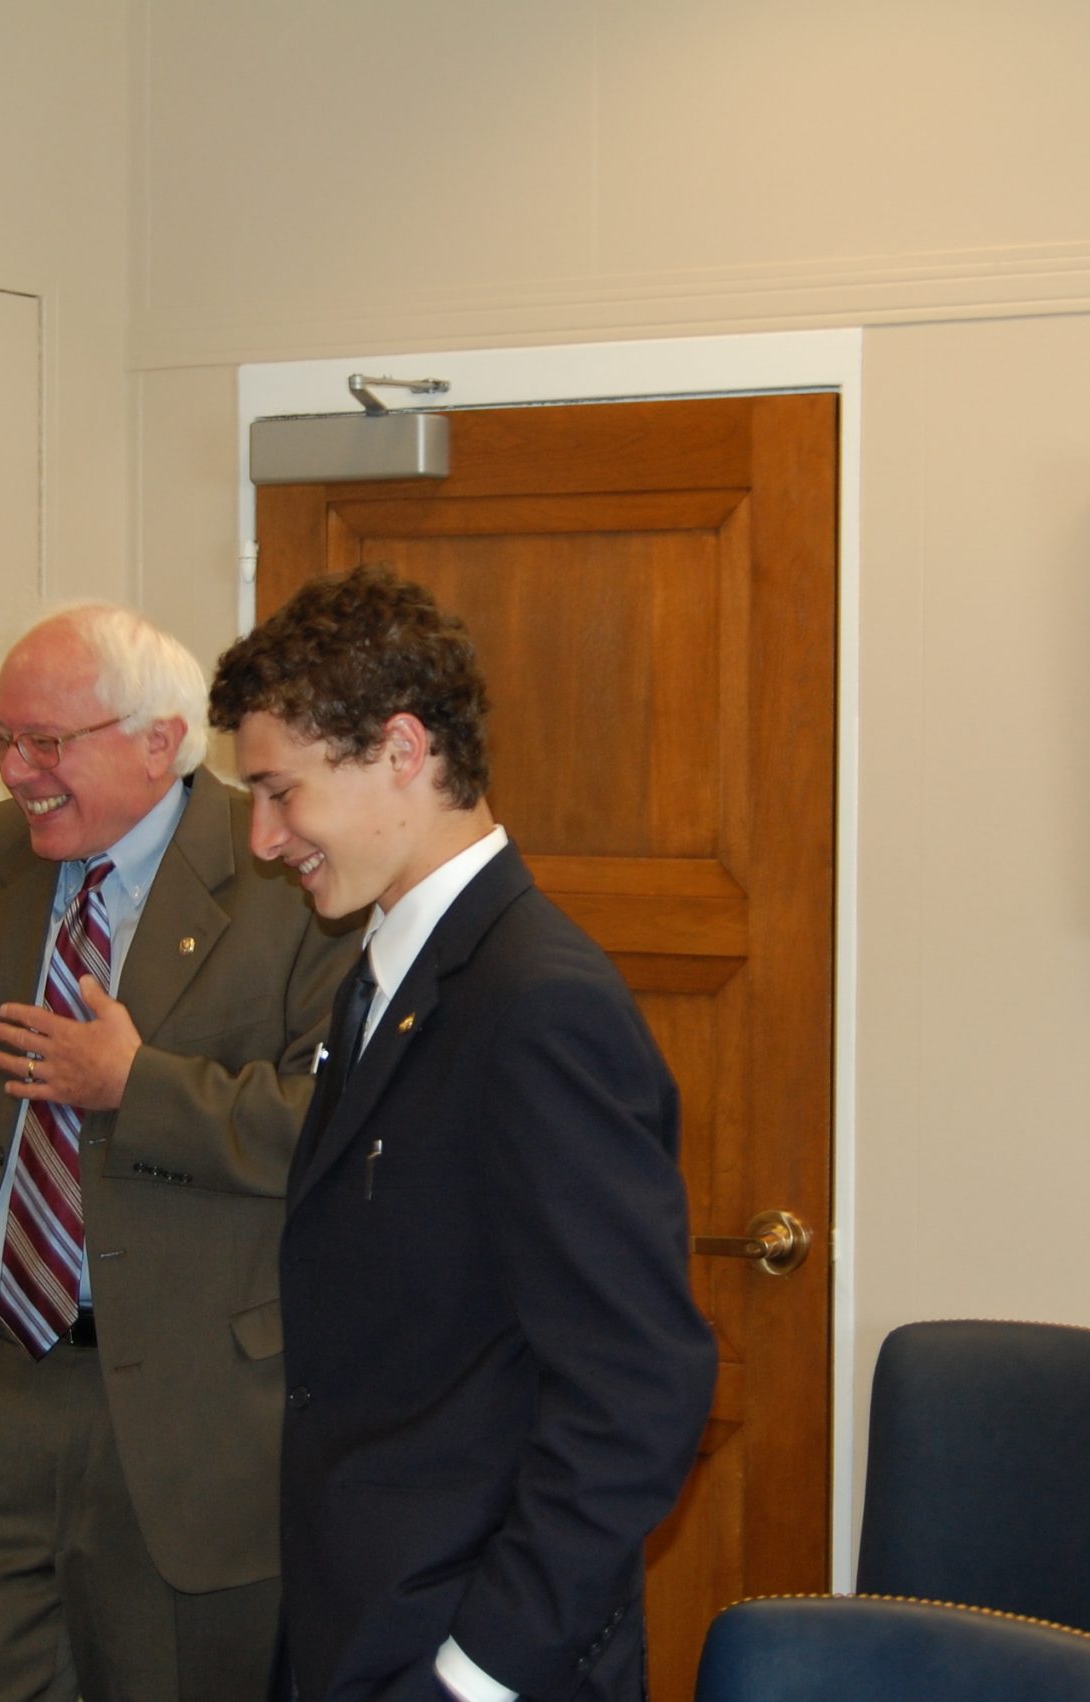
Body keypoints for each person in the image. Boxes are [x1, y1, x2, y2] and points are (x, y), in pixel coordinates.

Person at [0, 603, 358, 1702]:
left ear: (159, 741)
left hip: (178, 1427)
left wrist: (137, 1088)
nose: (17, 772)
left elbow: (338, 1125)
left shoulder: (287, 876)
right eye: (1, 739)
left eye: (48, 744)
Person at [209, 567, 717, 1702]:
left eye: (281, 793)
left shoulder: (538, 1003)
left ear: (401, 750)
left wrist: (474, 1675)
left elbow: (637, 1393)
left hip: (467, 1659)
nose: (261, 837)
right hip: (362, 1628)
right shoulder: (381, 975)